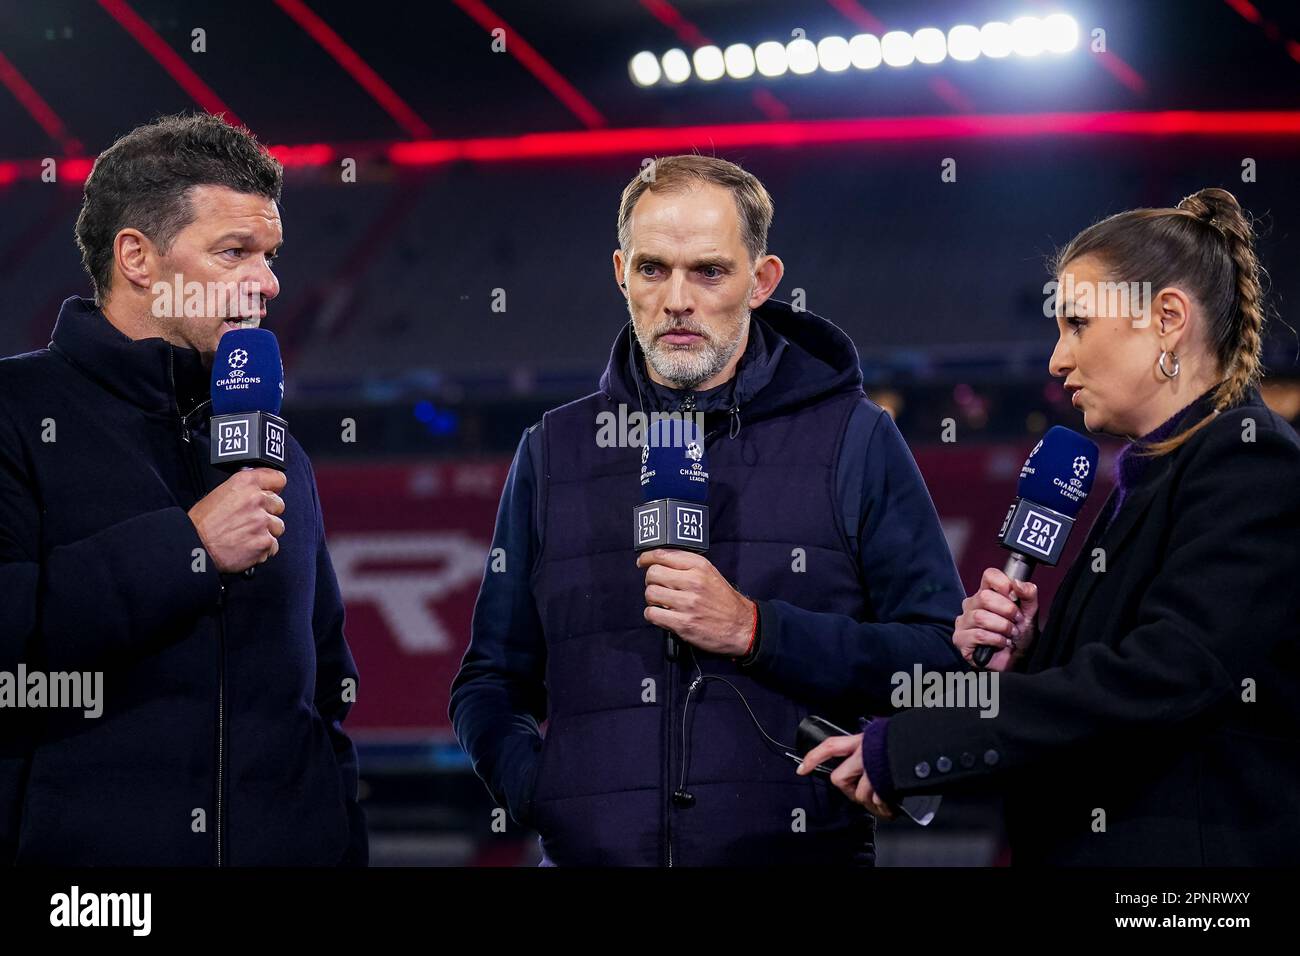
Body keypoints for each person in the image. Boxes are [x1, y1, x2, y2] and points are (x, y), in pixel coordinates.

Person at [451, 155, 965, 866]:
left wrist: (757, 629)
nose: (678, 299)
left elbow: (940, 663)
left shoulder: (856, 439)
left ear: (761, 281)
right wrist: (543, 792)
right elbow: (490, 679)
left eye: (710, 272)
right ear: (620, 274)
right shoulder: (552, 450)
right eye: (654, 268)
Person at [801, 188, 1300, 865]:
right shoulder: (1160, 471)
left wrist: (918, 743)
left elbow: (1162, 679)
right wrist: (1031, 652)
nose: (1056, 361)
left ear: (1168, 318)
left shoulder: (1247, 458)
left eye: (1077, 325)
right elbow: (1131, 679)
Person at [0, 113, 366, 865]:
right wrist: (187, 548)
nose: (267, 283)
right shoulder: (14, 413)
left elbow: (325, 692)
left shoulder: (276, 446)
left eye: (271, 256)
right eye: (235, 252)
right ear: (137, 256)